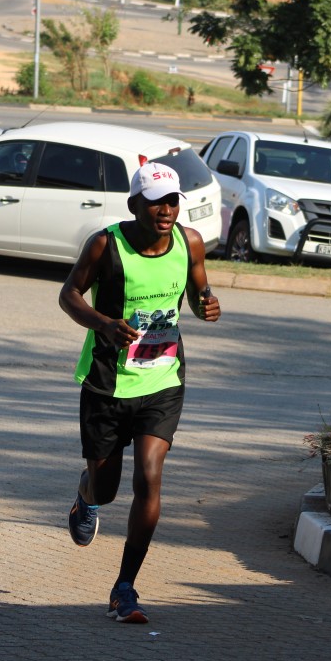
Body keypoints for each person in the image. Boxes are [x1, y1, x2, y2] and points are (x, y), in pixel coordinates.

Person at [58, 162, 221, 624]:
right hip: (107, 382)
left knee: (150, 476)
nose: (167, 210)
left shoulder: (189, 242)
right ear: (135, 205)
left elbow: (197, 289)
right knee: (106, 489)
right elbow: (69, 294)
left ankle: (124, 587)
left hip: (163, 380)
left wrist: (206, 302)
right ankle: (85, 498)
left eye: (173, 201)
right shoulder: (106, 244)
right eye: (156, 202)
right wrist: (102, 323)